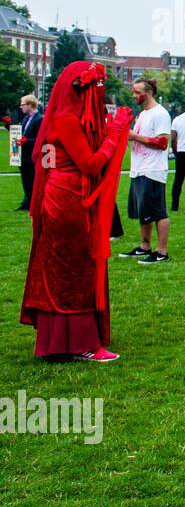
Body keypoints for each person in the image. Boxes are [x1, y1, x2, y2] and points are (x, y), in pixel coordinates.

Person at [21, 62, 133, 361]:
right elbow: (91, 164)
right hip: (66, 200)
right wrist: (115, 134)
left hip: (62, 196)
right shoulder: (66, 120)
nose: (98, 96)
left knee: (62, 268)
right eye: (95, 90)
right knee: (75, 268)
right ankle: (81, 343)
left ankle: (62, 340)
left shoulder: (61, 118)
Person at [119, 79, 171, 264]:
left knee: (158, 212)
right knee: (144, 212)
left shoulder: (160, 114)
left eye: (136, 92)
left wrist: (134, 136)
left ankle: (162, 251)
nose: (133, 95)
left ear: (148, 93)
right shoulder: (143, 114)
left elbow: (163, 142)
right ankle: (144, 246)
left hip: (153, 169)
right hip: (139, 168)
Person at [15, 94, 42, 210]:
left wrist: (28, 141)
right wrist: (8, 126)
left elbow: (41, 139)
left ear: (30, 105)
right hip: (23, 155)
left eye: (23, 104)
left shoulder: (39, 119)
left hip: (32, 156)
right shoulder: (26, 118)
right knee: (25, 180)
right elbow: (21, 135)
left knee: (32, 180)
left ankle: (32, 203)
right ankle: (27, 201)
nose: (21, 107)